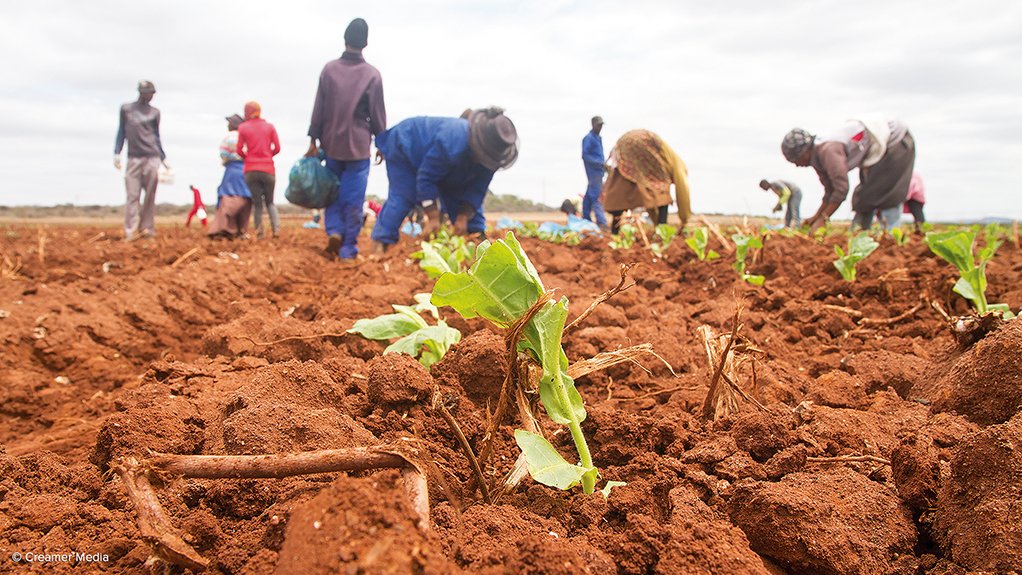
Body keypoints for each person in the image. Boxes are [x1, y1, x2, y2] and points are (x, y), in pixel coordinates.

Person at [369, 108, 518, 252]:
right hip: (406, 147)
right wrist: (433, 216)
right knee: (404, 195)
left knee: (467, 207)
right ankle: (381, 243)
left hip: (448, 168)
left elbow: (477, 190)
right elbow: (427, 178)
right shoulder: (453, 139)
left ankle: (476, 242)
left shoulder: (491, 160)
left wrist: (463, 217)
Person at [307, 17, 387, 260]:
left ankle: (334, 231)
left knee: (332, 192)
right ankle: (348, 248)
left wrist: (313, 139)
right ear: (365, 43)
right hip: (358, 147)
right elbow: (377, 113)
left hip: (331, 143)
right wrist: (382, 142)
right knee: (353, 198)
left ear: (345, 39)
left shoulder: (329, 70)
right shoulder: (372, 75)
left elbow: (319, 107)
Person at [781, 116, 915, 232]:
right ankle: (859, 236)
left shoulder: (828, 151)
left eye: (795, 159)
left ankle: (890, 238)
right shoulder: (817, 159)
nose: (796, 164)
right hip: (876, 152)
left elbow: (841, 189)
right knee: (864, 197)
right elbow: (830, 191)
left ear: (804, 152)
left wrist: (823, 219)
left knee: (888, 196)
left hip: (895, 140)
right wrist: (816, 217)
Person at [601, 129, 690, 234]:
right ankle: (662, 231)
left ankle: (615, 233)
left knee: (623, 190)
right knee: (662, 193)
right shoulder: (678, 168)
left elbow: (649, 201)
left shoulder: (664, 160)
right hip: (638, 144)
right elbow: (683, 193)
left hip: (622, 146)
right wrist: (685, 221)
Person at [113, 80, 168, 241]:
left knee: (150, 196)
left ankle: (147, 230)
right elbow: (121, 131)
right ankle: (130, 231)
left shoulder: (155, 113)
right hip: (133, 157)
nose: (151, 96)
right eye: (149, 93)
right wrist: (117, 152)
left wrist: (163, 157)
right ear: (142, 93)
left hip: (152, 157)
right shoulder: (126, 109)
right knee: (132, 195)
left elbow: (156, 136)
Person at [236, 101, 281, 239]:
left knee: (257, 204)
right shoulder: (270, 127)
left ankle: (260, 234)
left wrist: (249, 158)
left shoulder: (243, 128)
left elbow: (239, 150)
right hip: (268, 169)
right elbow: (277, 148)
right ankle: (276, 230)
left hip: (251, 170)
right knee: (270, 202)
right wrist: (267, 156)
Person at [208, 114, 253, 239]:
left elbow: (223, 154)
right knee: (245, 197)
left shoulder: (229, 137)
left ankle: (224, 227)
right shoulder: (248, 137)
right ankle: (240, 230)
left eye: (229, 123)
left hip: (232, 170)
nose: (228, 125)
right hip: (247, 169)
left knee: (229, 196)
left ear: (234, 125)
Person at [582, 116, 607, 229]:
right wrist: (600, 163)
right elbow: (585, 155)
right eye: (598, 125)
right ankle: (602, 223)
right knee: (596, 197)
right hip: (593, 172)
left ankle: (586, 220)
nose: (600, 127)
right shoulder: (589, 138)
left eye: (601, 125)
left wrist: (604, 166)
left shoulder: (598, 138)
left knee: (588, 197)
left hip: (599, 172)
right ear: (593, 124)